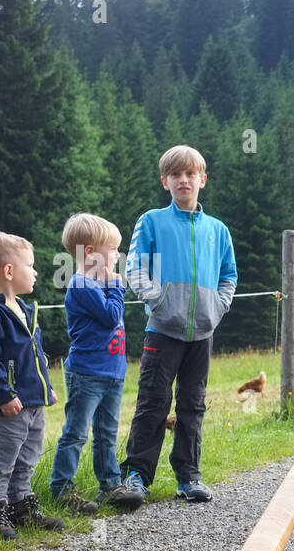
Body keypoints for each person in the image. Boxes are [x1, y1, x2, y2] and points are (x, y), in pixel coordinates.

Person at [119, 145, 237, 505]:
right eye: (175, 175)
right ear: (165, 181)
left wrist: (216, 308)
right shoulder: (152, 221)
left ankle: (189, 476)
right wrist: (159, 301)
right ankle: (137, 476)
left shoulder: (217, 230)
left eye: (190, 174)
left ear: (202, 180)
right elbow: (135, 268)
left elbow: (229, 276)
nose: (183, 180)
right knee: (153, 402)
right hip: (162, 331)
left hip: (203, 333)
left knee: (193, 404)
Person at [0, 232, 64, 539]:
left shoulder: (25, 311)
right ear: (9, 271)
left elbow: (35, 356)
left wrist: (46, 387)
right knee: (3, 461)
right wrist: (3, 394)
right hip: (6, 406)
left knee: (27, 459)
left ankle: (22, 507)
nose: (35, 272)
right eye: (30, 265)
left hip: (33, 403)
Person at [48, 213, 142, 513]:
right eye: (112, 249)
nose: (117, 255)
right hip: (87, 374)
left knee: (106, 433)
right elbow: (111, 316)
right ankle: (62, 489)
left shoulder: (98, 285)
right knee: (76, 432)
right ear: (89, 252)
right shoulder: (81, 285)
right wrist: (116, 286)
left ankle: (110, 484)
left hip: (112, 372)